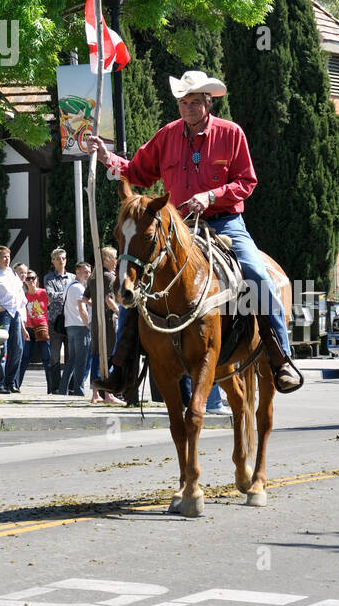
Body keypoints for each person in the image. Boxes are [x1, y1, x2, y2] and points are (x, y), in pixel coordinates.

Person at [85, 69, 302, 395]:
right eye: (183, 102)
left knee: (257, 274)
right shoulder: (167, 136)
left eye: (194, 102)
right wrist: (107, 158)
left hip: (225, 222)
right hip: (180, 227)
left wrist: (212, 195)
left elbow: (247, 182)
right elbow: (137, 172)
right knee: (136, 284)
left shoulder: (231, 134)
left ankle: (280, 357)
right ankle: (119, 367)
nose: (187, 108)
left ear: (208, 102)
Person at [0, 245, 28, 393]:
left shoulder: (11, 273)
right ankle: (0, 383)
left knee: (17, 348)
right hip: (2, 314)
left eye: (8, 256)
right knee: (2, 350)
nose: (7, 259)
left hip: (15, 313)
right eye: (4, 257)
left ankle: (10, 382)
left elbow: (19, 291)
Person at [85, 247, 124, 405]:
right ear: (107, 259)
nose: (116, 261)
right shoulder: (109, 277)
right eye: (115, 258)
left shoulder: (94, 277)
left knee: (96, 356)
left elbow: (85, 298)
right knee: (109, 357)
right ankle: (108, 394)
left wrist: (97, 308)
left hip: (96, 322)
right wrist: (118, 311)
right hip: (108, 322)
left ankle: (96, 394)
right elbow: (109, 299)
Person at [60, 261, 92, 397]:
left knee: (72, 360)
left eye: (89, 272)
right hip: (80, 326)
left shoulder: (70, 285)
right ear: (77, 271)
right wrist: (88, 325)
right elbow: (82, 309)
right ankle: (79, 391)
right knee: (81, 361)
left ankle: (63, 390)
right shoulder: (79, 288)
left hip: (70, 326)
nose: (87, 274)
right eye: (84, 271)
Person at [44, 247, 74, 393]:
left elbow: (76, 297)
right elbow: (50, 296)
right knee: (55, 356)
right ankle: (55, 387)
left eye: (63, 258)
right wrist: (69, 294)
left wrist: (63, 295)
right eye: (57, 258)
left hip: (71, 320)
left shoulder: (73, 278)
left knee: (71, 355)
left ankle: (70, 387)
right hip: (55, 321)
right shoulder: (48, 278)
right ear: (52, 261)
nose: (61, 261)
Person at [19, 270, 52, 392]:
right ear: (25, 282)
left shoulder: (44, 293)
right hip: (29, 329)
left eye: (33, 278)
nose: (31, 281)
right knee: (25, 357)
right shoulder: (24, 295)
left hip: (42, 328)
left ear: (37, 279)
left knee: (46, 359)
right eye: (28, 279)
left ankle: (51, 389)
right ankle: (16, 386)